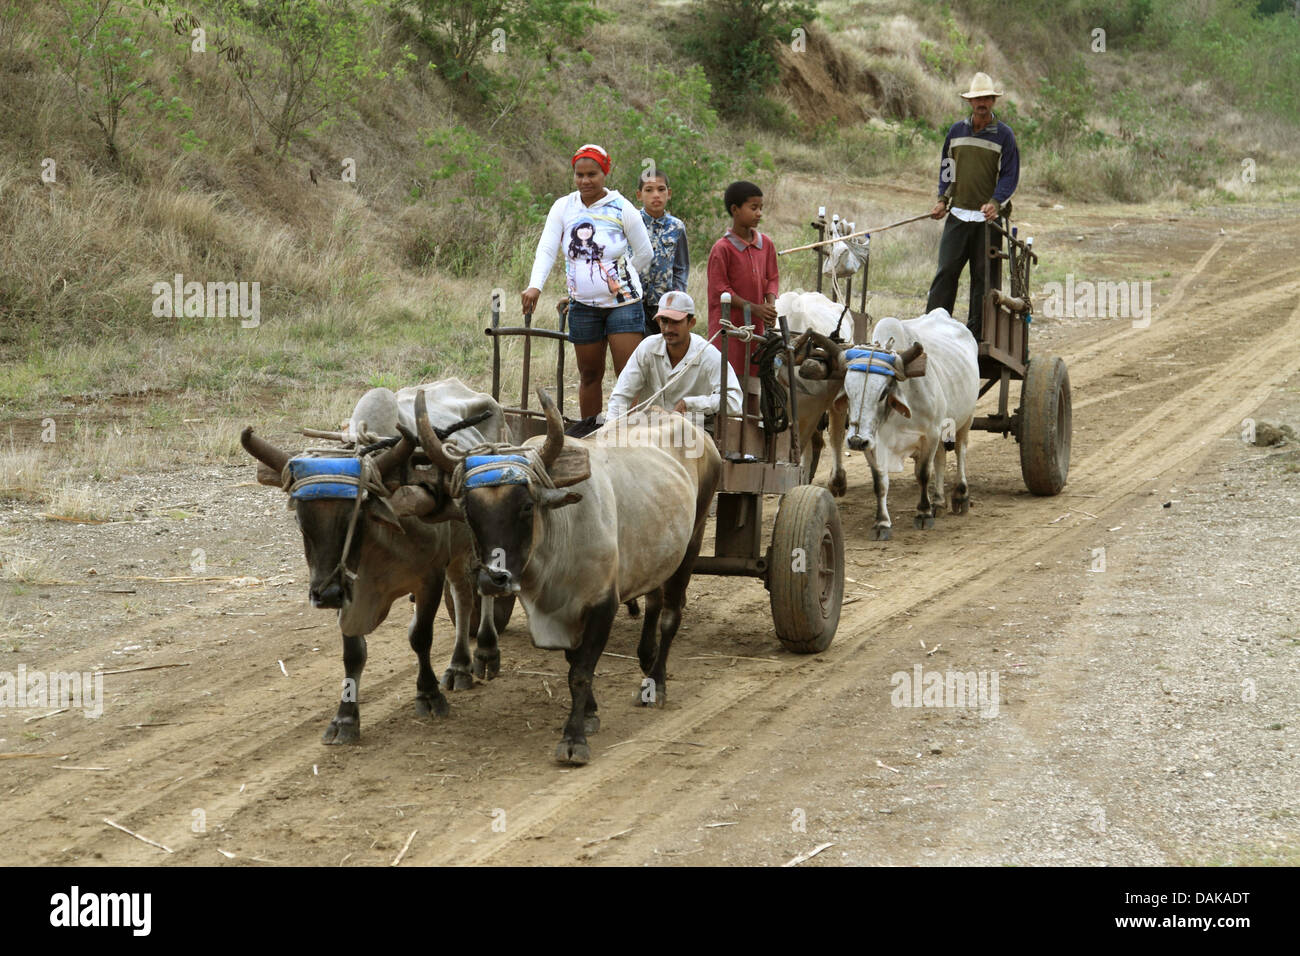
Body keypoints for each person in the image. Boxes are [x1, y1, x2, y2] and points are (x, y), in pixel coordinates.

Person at [522, 144, 653, 418]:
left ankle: (629, 438)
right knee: (589, 374)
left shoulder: (622, 208)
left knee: (628, 377)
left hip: (624, 304)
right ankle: (590, 434)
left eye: (592, 174)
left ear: (604, 173)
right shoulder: (563, 207)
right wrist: (536, 286)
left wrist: (619, 278)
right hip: (583, 306)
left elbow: (644, 253)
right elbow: (547, 249)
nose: (585, 181)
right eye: (579, 175)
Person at [925, 72, 1020, 338]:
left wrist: (995, 202)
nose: (982, 103)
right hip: (957, 216)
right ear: (970, 102)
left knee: (983, 280)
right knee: (946, 273)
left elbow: (1010, 176)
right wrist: (942, 199)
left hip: (987, 221)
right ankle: (933, 329)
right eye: (978, 98)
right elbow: (947, 167)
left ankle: (977, 335)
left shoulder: (1004, 136)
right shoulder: (956, 131)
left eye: (987, 98)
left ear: (993, 101)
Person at [606, 291, 741, 423]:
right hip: (650, 431)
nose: (668, 329)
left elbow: (734, 401)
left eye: (676, 322)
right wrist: (609, 428)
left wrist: (690, 404)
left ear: (691, 323)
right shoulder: (647, 347)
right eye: (664, 321)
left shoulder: (708, 354)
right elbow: (622, 394)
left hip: (694, 432)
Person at [706, 180, 778, 378]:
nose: (759, 213)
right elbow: (721, 289)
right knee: (727, 385)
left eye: (761, 208)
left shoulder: (766, 244)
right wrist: (754, 308)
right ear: (735, 210)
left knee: (753, 385)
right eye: (753, 208)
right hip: (728, 329)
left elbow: (772, 278)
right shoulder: (722, 249)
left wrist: (769, 306)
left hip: (756, 328)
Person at [635, 169, 689, 337]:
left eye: (661, 189)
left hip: (665, 304)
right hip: (635, 302)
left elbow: (681, 267)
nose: (656, 195)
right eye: (649, 190)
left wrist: (677, 296)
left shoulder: (677, 227)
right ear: (639, 195)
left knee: (664, 349)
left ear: (669, 193)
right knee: (638, 352)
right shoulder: (631, 222)